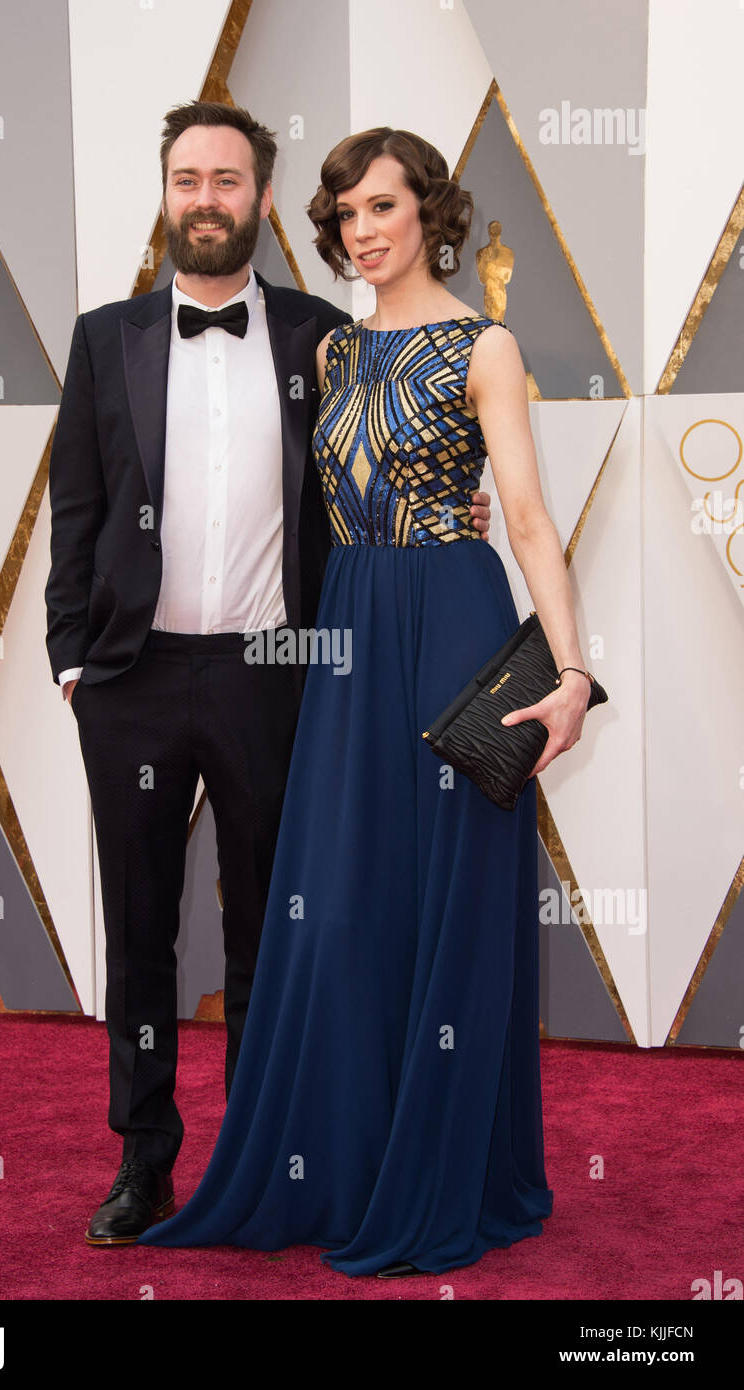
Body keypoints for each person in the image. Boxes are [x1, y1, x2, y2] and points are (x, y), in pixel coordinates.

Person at [138, 126, 596, 1278]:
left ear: (428, 213)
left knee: (445, 897)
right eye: (346, 214)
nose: (365, 230)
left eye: (385, 206)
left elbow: (528, 516)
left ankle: (446, 1167)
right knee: (343, 904)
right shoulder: (333, 352)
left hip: (452, 619)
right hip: (347, 637)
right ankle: (339, 1160)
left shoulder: (485, 343)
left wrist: (574, 671)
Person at [44, 101, 496, 1246]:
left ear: (259, 198)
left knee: (277, 928)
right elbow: (78, 509)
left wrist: (456, 506)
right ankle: (144, 1162)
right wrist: (68, 664)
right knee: (142, 933)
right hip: (132, 682)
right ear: (166, 193)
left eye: (229, 180)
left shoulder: (318, 336)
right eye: (188, 178)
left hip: (278, 673)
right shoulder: (105, 338)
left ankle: (265, 1148)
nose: (207, 197)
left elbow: (381, 462)